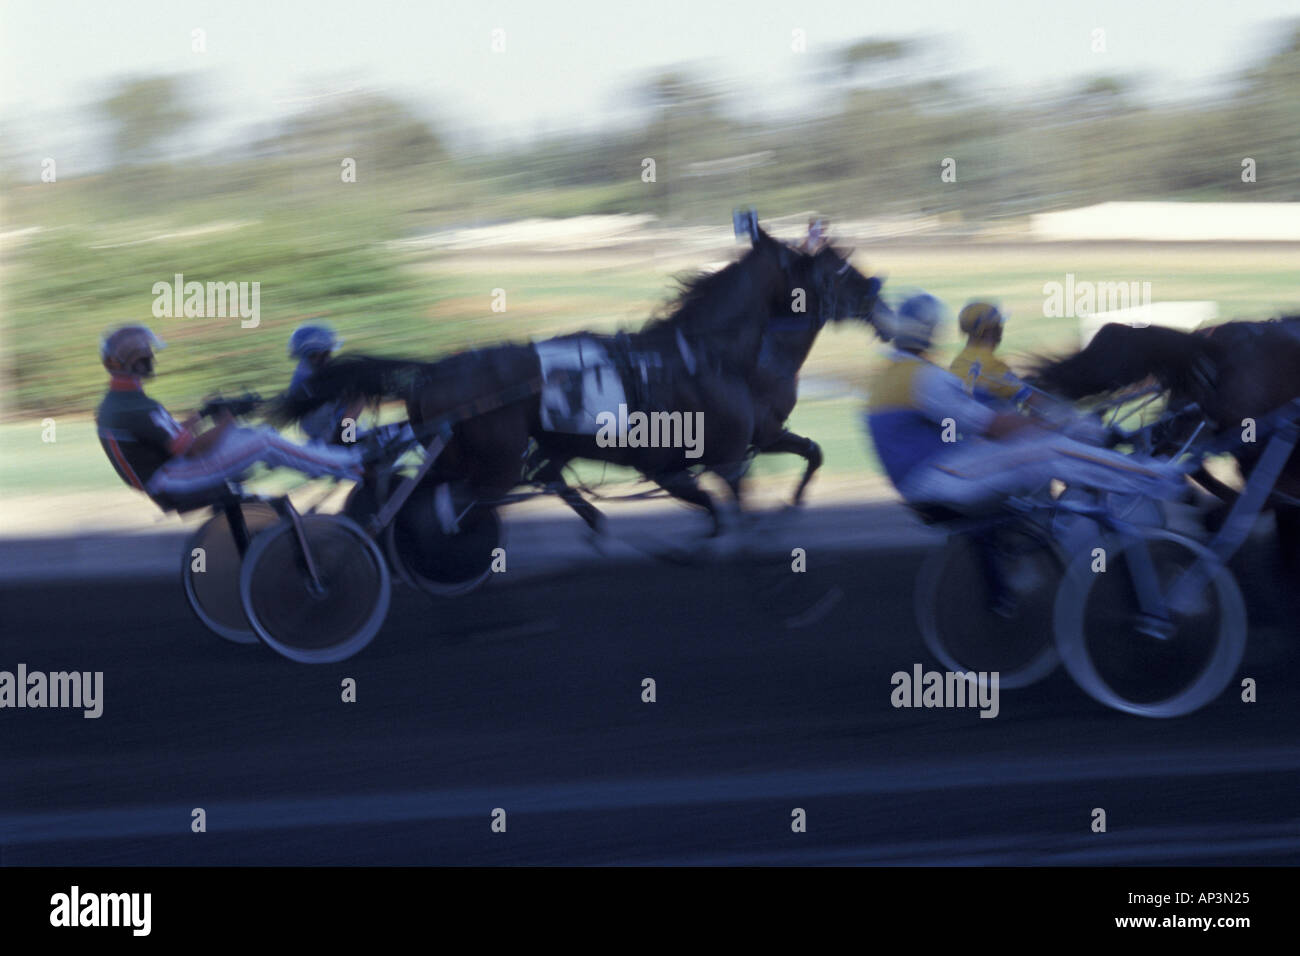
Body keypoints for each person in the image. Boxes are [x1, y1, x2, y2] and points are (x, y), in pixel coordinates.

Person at [864, 294, 1181, 514]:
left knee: (1042, 445)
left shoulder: (889, 375)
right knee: (1051, 449)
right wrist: (1056, 424)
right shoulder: (925, 377)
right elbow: (1002, 422)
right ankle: (1158, 478)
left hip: (931, 471)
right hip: (939, 477)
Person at [95, 324, 363, 510]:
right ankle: (350, 462)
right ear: (135, 361)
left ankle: (328, 460)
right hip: (171, 480)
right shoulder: (137, 406)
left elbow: (171, 434)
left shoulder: (121, 402)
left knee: (245, 435)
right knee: (263, 440)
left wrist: (206, 413)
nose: (153, 359)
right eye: (148, 355)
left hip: (167, 475)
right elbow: (190, 448)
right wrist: (226, 421)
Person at [948, 301, 1030, 405]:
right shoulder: (993, 365)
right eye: (998, 325)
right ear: (989, 330)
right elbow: (1031, 398)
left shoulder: (958, 361)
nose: (1001, 330)